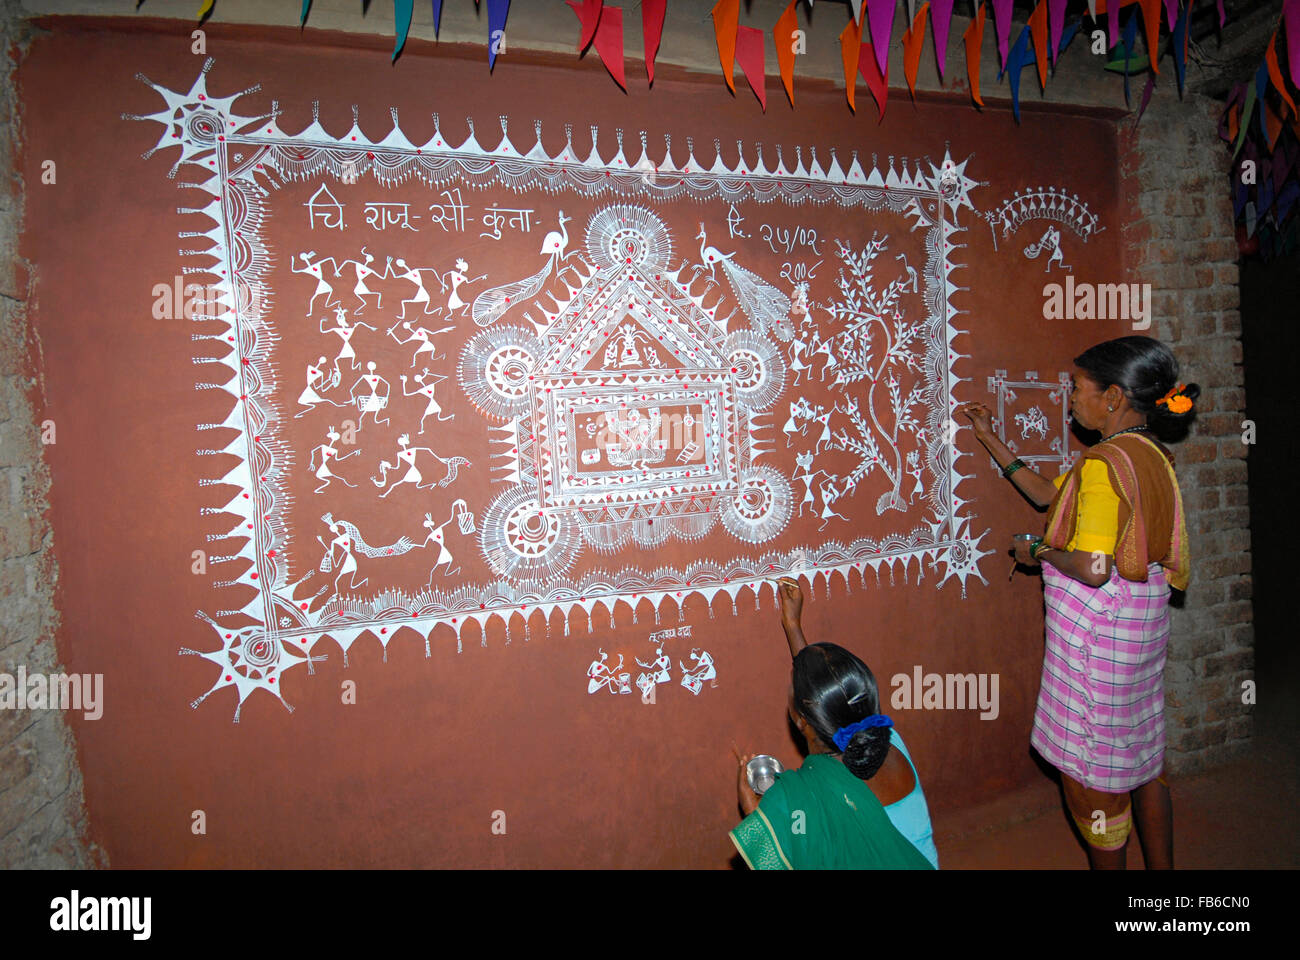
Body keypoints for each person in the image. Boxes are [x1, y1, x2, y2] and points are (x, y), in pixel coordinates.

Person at [961, 335, 1196, 870]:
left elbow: (1092, 566)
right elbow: (1048, 495)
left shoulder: (1102, 464)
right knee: (1141, 760)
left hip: (1102, 637)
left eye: (1077, 388)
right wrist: (989, 437)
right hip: (1142, 627)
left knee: (1091, 780)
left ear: (1113, 397)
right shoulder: (1148, 456)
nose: (1070, 398)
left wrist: (1038, 550)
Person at [729, 577, 937, 870]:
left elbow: (774, 861)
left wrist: (753, 814)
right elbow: (822, 694)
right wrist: (792, 625)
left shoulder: (803, 794)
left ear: (800, 720)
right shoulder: (888, 740)